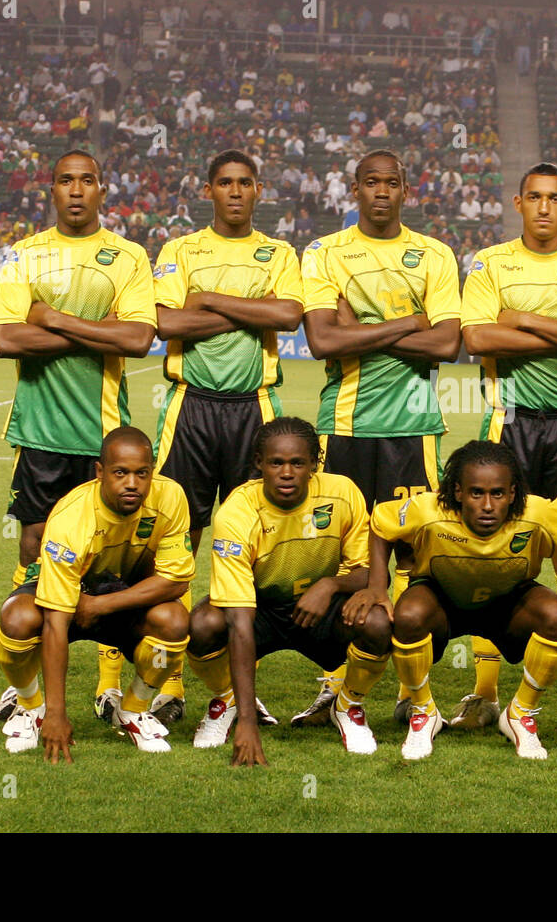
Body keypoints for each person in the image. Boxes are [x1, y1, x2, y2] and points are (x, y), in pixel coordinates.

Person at [0, 149, 157, 724]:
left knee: (112, 561)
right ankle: (26, 688)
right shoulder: (25, 255)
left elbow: (135, 339)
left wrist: (52, 320)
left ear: (102, 189)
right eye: (65, 181)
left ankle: (110, 684)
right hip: (39, 432)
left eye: (87, 180)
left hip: (105, 438)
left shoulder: (128, 257)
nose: (76, 190)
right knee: (34, 550)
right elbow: (7, 339)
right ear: (51, 190)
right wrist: (95, 333)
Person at [295, 148, 461, 724]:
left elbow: (447, 346)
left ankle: (415, 691)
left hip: (414, 429)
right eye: (371, 182)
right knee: (342, 551)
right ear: (355, 189)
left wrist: (358, 330)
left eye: (392, 183)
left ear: (406, 190)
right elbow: (322, 341)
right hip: (343, 425)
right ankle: (340, 681)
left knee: (420, 557)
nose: (382, 192)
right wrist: (408, 323)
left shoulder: (433, 254)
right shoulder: (324, 252)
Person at [455, 161, 557, 731]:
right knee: (493, 553)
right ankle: (483, 695)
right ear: (518, 203)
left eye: (556, 198)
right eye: (534, 197)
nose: (545, 207)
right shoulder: (491, 264)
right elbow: (477, 336)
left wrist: (524, 319)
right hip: (510, 424)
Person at [149, 149, 304, 727]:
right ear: (208, 189)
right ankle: (164, 683)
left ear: (258, 191)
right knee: (174, 541)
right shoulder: (179, 250)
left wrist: (208, 300)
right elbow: (166, 323)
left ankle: (238, 688)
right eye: (225, 183)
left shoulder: (280, 253)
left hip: (255, 410)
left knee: (254, 545)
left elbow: (288, 315)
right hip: (188, 409)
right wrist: (250, 311)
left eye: (244, 183)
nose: (235, 192)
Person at [343, 440, 557, 760]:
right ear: (459, 492)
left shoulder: (539, 512)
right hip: (442, 597)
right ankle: (424, 711)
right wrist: (378, 588)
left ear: (513, 493)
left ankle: (520, 713)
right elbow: (381, 522)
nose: (488, 505)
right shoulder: (428, 509)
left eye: (498, 494)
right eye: (477, 493)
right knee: (407, 615)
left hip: (509, 600)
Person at [186, 418, 392, 764]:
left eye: (298, 463)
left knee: (376, 622)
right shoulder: (236, 511)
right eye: (276, 463)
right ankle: (230, 701)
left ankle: (348, 705)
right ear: (258, 464)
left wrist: (330, 584)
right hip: (258, 608)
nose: (286, 472)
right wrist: (248, 725)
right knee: (203, 624)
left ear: (314, 464)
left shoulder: (342, 492)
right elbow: (238, 619)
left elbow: (367, 572)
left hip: (322, 610)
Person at [0, 427, 194, 758]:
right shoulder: (71, 517)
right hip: (68, 599)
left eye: (142, 473)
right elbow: (56, 622)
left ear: (152, 471)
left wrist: (101, 604)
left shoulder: (170, 497)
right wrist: (57, 713)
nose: (132, 483)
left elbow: (176, 581)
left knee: (173, 620)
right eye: (120, 473)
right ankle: (31, 708)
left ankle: (132, 710)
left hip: (116, 601)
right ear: (100, 472)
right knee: (17, 618)